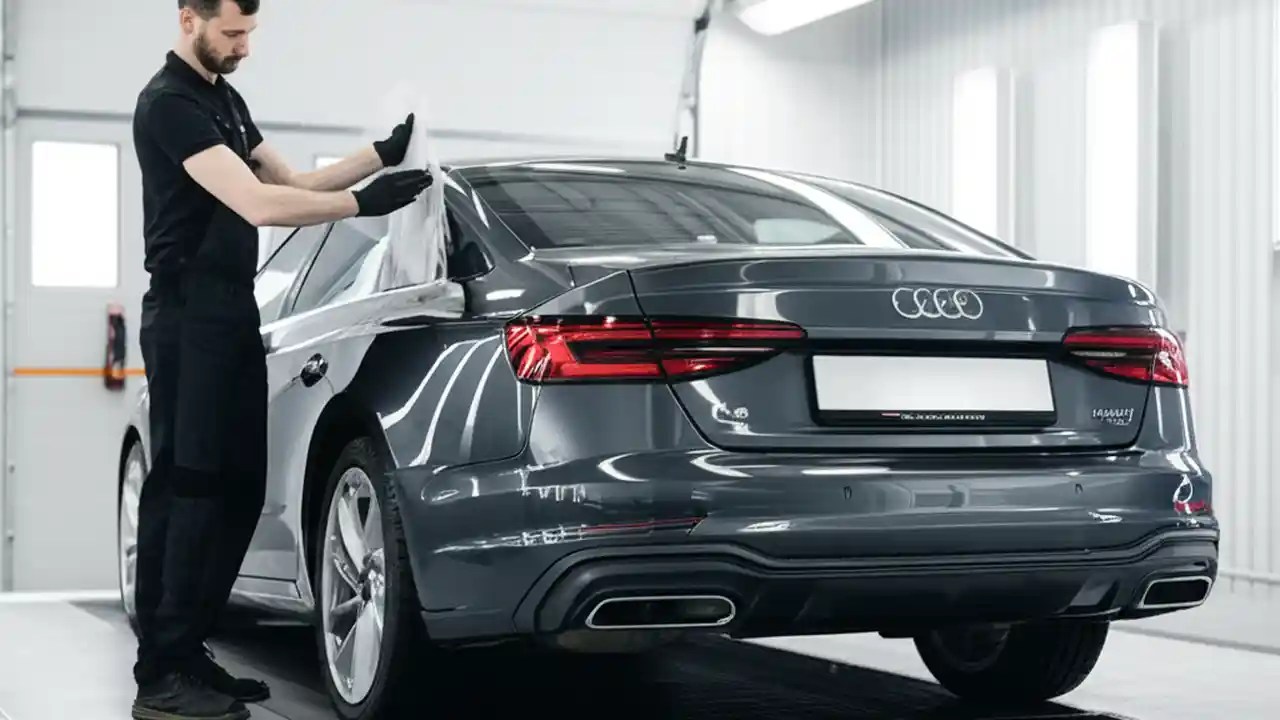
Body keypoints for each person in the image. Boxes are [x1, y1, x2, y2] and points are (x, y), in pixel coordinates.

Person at [129, 2, 431, 719]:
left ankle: (191, 650)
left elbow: (290, 180)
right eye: (232, 33)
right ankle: (161, 674)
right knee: (189, 488)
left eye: (250, 33)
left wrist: (379, 154)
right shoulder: (169, 104)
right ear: (189, 19)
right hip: (186, 315)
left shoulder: (224, 101)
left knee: (239, 488)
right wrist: (362, 204)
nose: (243, 47)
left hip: (233, 312)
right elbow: (259, 204)